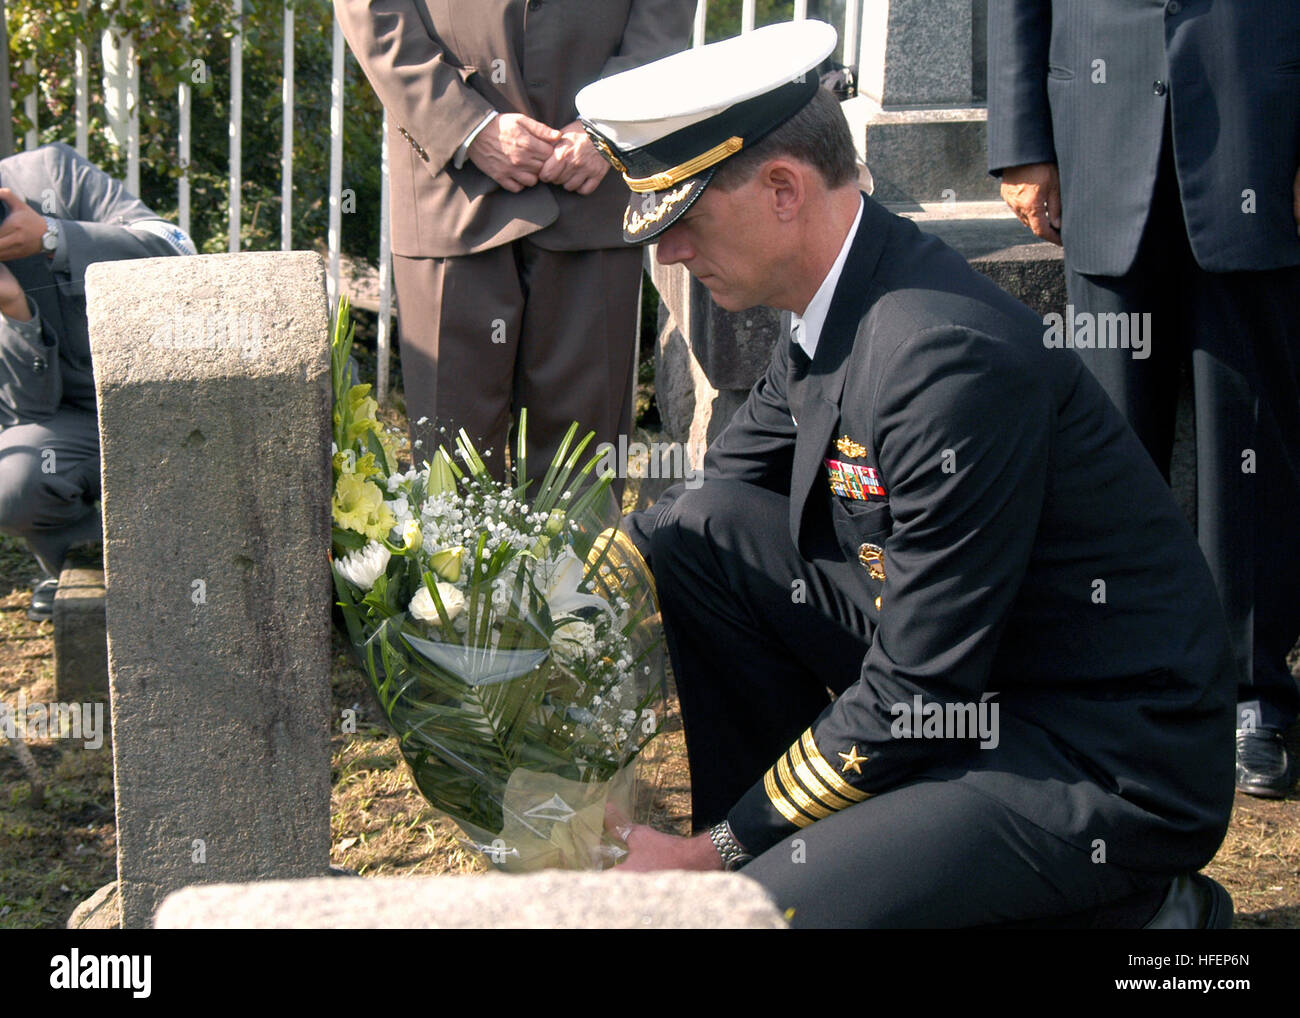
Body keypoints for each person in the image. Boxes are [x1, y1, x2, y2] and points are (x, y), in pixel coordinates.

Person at [576, 21, 1236, 928]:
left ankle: (1140, 911)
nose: (670, 254)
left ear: (781, 190)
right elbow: (706, 502)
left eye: (683, 220)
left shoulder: (939, 355)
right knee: (705, 534)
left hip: (1096, 751)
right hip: (979, 688)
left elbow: (919, 688)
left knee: (756, 918)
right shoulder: (842, 299)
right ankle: (811, 849)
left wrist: (708, 857)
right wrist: (545, 604)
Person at [987, 1, 1300, 799]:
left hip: (1259, 131)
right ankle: (1116, 683)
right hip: (1100, 131)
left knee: (1249, 444)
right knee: (1109, 447)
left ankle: (1253, 697)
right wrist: (1024, 142)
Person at [334, 0, 695, 488]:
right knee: (451, 483)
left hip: (591, 185)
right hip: (450, 188)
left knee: (580, 482)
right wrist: (464, 125)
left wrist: (611, 127)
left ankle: (573, 569)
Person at [0, 142, 196, 620]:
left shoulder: (49, 172)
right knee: (15, 482)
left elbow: (176, 247)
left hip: (165, 391)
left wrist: (52, 237)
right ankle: (90, 568)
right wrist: (14, 311)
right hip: (72, 422)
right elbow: (27, 418)